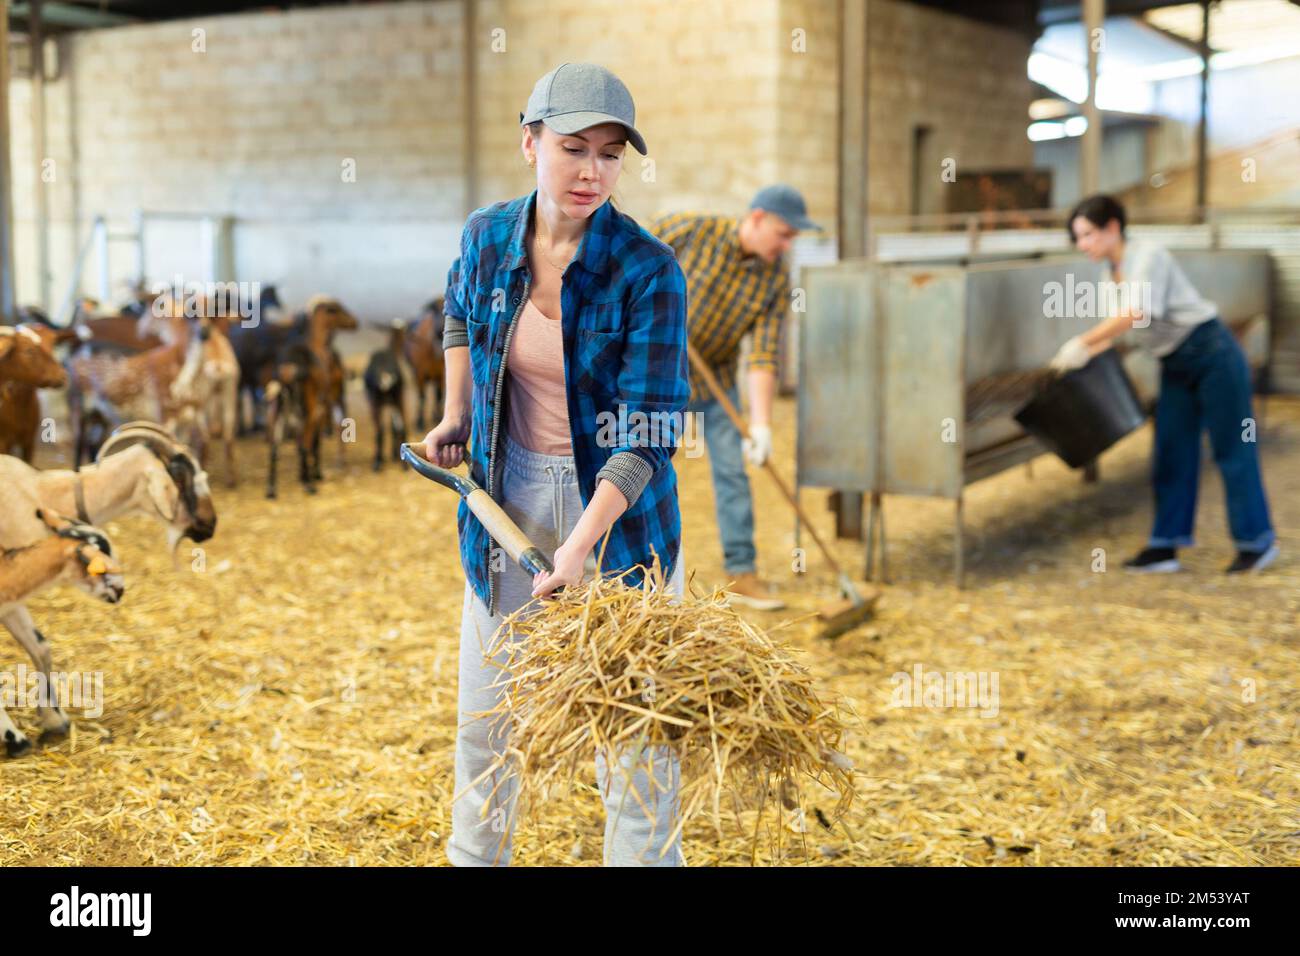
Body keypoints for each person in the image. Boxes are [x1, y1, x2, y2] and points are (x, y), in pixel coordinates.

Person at [422, 63, 691, 866]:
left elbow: (646, 432)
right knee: (488, 725)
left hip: (620, 519)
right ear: (529, 142)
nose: (591, 172)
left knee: (638, 746)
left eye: (611, 155)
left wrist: (580, 551)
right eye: (574, 147)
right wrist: (456, 413)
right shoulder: (486, 235)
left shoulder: (648, 270)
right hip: (507, 497)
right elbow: (460, 313)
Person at [1050, 194, 1277, 574]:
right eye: (1078, 238)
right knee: (1171, 449)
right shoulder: (1109, 273)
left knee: (1232, 447)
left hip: (1212, 353)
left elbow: (1136, 312)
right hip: (1174, 363)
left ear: (1112, 227)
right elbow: (1123, 329)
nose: (1082, 245)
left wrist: (1082, 342)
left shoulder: (1147, 255)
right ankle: (1164, 546)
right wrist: (1081, 357)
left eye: (1088, 235)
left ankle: (1256, 542)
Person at [649, 185, 821, 610]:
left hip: (714, 381)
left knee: (732, 472)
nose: (786, 246)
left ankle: (742, 573)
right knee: (638, 468)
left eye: (792, 239)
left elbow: (763, 354)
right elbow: (632, 262)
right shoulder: (689, 230)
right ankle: (626, 572)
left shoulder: (775, 278)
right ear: (757, 218)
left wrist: (760, 425)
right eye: (783, 234)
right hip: (651, 376)